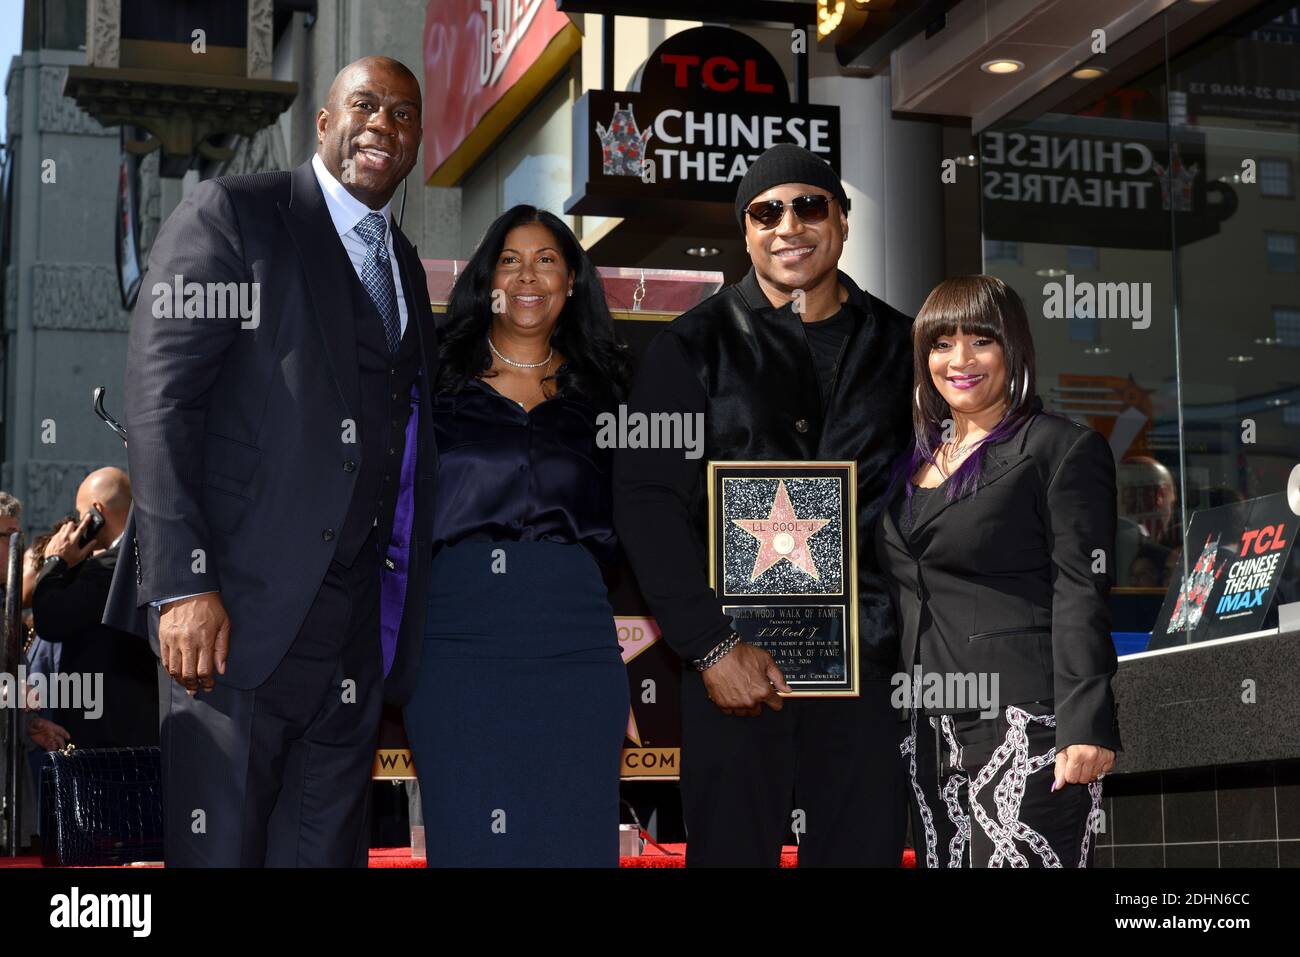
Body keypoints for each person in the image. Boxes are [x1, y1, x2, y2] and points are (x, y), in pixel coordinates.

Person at [104, 56, 440, 867]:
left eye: (403, 115)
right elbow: (160, 401)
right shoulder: (234, 212)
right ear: (322, 123)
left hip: (355, 635)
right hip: (231, 623)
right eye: (364, 105)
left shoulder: (404, 265)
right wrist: (183, 583)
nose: (382, 126)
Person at [613, 144, 913, 866]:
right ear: (743, 232)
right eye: (765, 211)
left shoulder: (907, 346)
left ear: (841, 221)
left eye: (810, 205)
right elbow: (646, 504)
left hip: (870, 671)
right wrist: (711, 646)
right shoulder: (689, 346)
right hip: (735, 674)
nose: (789, 225)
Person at [402, 205, 630, 867]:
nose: (528, 275)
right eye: (510, 260)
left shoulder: (609, 393)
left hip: (575, 639)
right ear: (488, 280)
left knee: (574, 835)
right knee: (470, 831)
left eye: (547, 260)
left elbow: (644, 510)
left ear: (571, 283)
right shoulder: (433, 383)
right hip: (457, 637)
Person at [875, 275, 1120, 868]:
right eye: (940, 344)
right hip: (927, 728)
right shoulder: (907, 461)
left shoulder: (1058, 447)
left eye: (980, 340)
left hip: (1026, 727)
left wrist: (1085, 722)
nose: (959, 360)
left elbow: (1080, 590)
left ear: (1013, 350)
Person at [32, 468, 157, 749]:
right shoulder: (152, 556)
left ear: (96, 512)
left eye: (81, 515)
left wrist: (55, 561)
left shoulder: (110, 567)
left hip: (109, 741)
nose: (78, 524)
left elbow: (50, 619)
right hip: (141, 732)